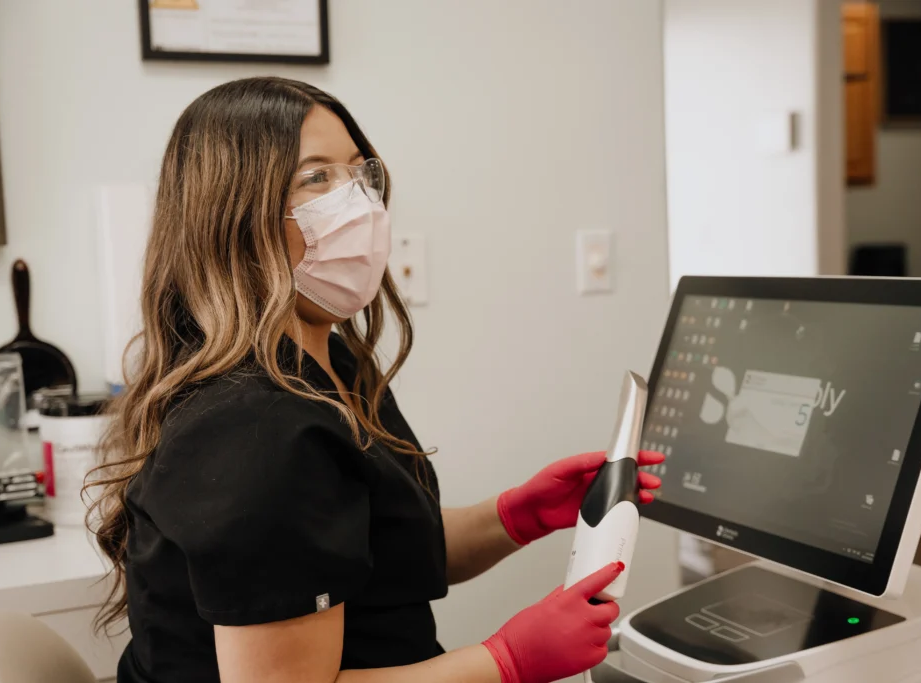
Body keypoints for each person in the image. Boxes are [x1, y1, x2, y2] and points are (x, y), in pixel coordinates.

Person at [89, 76, 664, 683]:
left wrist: (516, 514)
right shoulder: (257, 429)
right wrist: (507, 660)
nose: (359, 203)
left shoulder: (332, 369)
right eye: (317, 179)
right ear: (234, 218)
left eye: (361, 174)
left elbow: (364, 549)